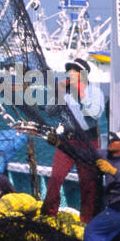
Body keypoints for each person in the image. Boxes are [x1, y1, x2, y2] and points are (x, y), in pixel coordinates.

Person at [41, 58, 103, 222]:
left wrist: (80, 93)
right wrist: (57, 94)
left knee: (88, 184)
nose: (69, 73)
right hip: (67, 141)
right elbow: (49, 112)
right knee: (55, 178)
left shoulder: (95, 92)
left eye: (74, 70)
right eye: (69, 70)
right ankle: (49, 216)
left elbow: (94, 114)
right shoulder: (65, 92)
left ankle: (86, 222)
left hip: (88, 143)